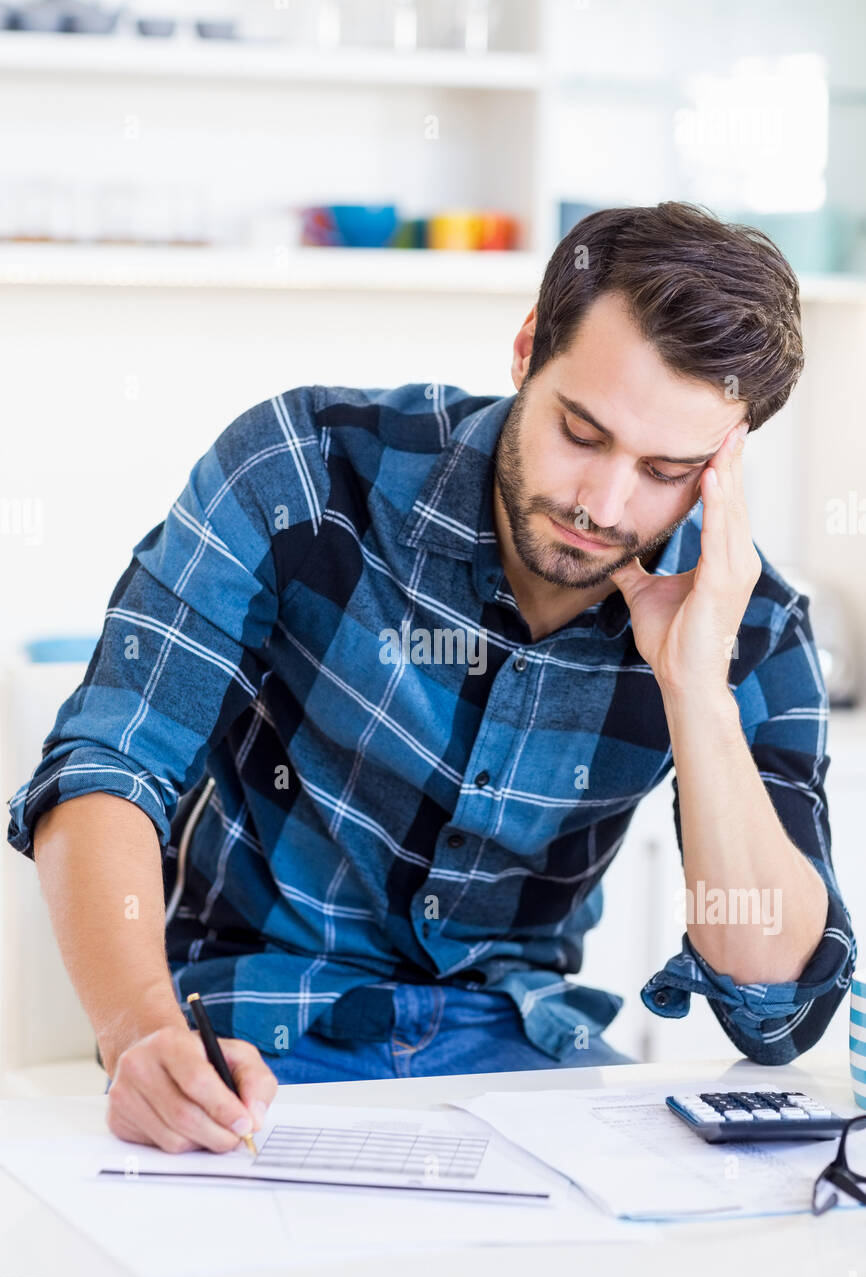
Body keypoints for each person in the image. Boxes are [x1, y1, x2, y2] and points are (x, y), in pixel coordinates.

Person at [7, 201, 855, 1156]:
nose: (603, 505)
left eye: (667, 469)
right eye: (582, 431)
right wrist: (139, 1034)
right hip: (255, 1051)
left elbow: (776, 1009)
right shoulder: (306, 470)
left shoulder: (751, 619)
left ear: (723, 465)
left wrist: (695, 686)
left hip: (523, 1067)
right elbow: (107, 766)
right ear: (529, 347)